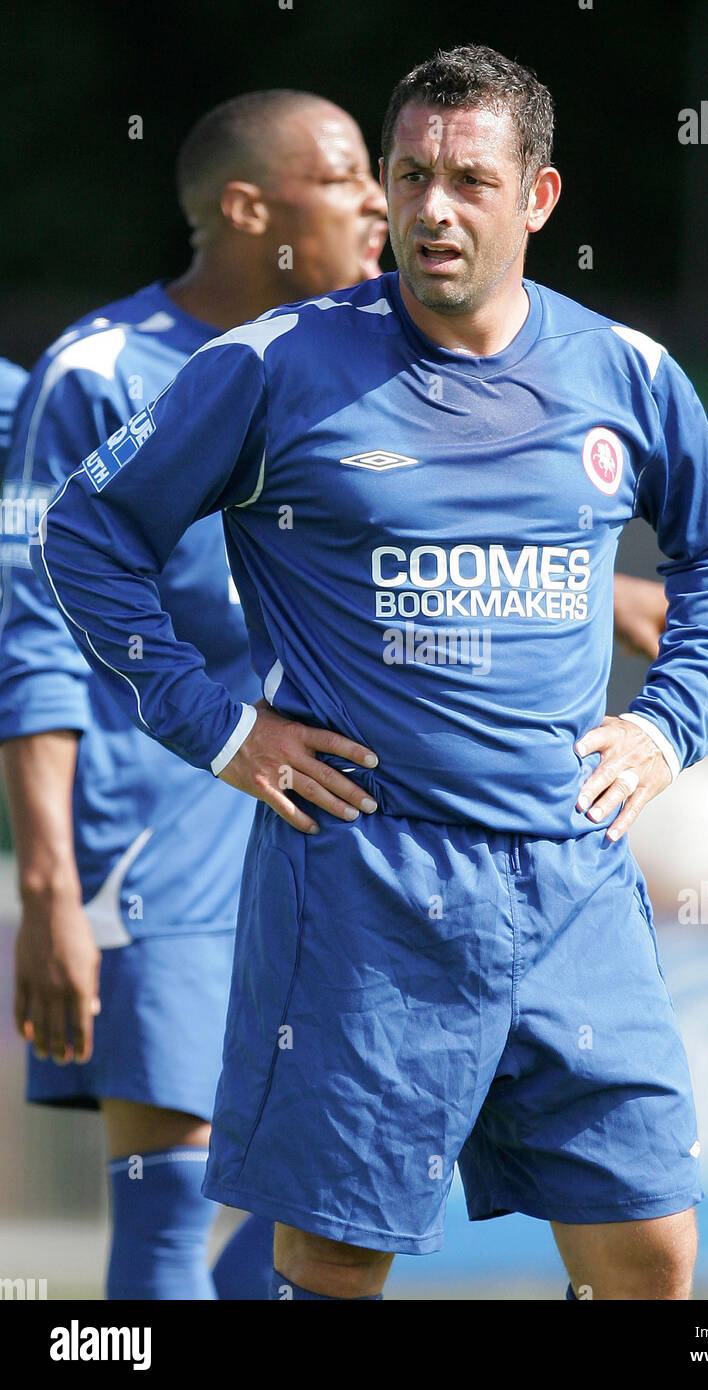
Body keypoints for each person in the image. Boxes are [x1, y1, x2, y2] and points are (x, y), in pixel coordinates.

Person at [32, 45, 708, 1300]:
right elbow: (85, 531)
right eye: (411, 174)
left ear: (536, 199)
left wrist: (666, 725)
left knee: (649, 1249)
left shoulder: (622, 370)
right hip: (364, 882)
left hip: (568, 874)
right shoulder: (277, 364)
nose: (432, 207)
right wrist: (216, 727)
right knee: (331, 1258)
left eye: (469, 180)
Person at [0, 88, 388, 1299]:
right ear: (245, 207)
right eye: (343, 177)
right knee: (168, 1205)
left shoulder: (356, 363)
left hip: (319, 838)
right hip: (152, 849)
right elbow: (35, 633)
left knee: (335, 1209)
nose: (383, 200)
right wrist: (50, 889)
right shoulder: (101, 372)